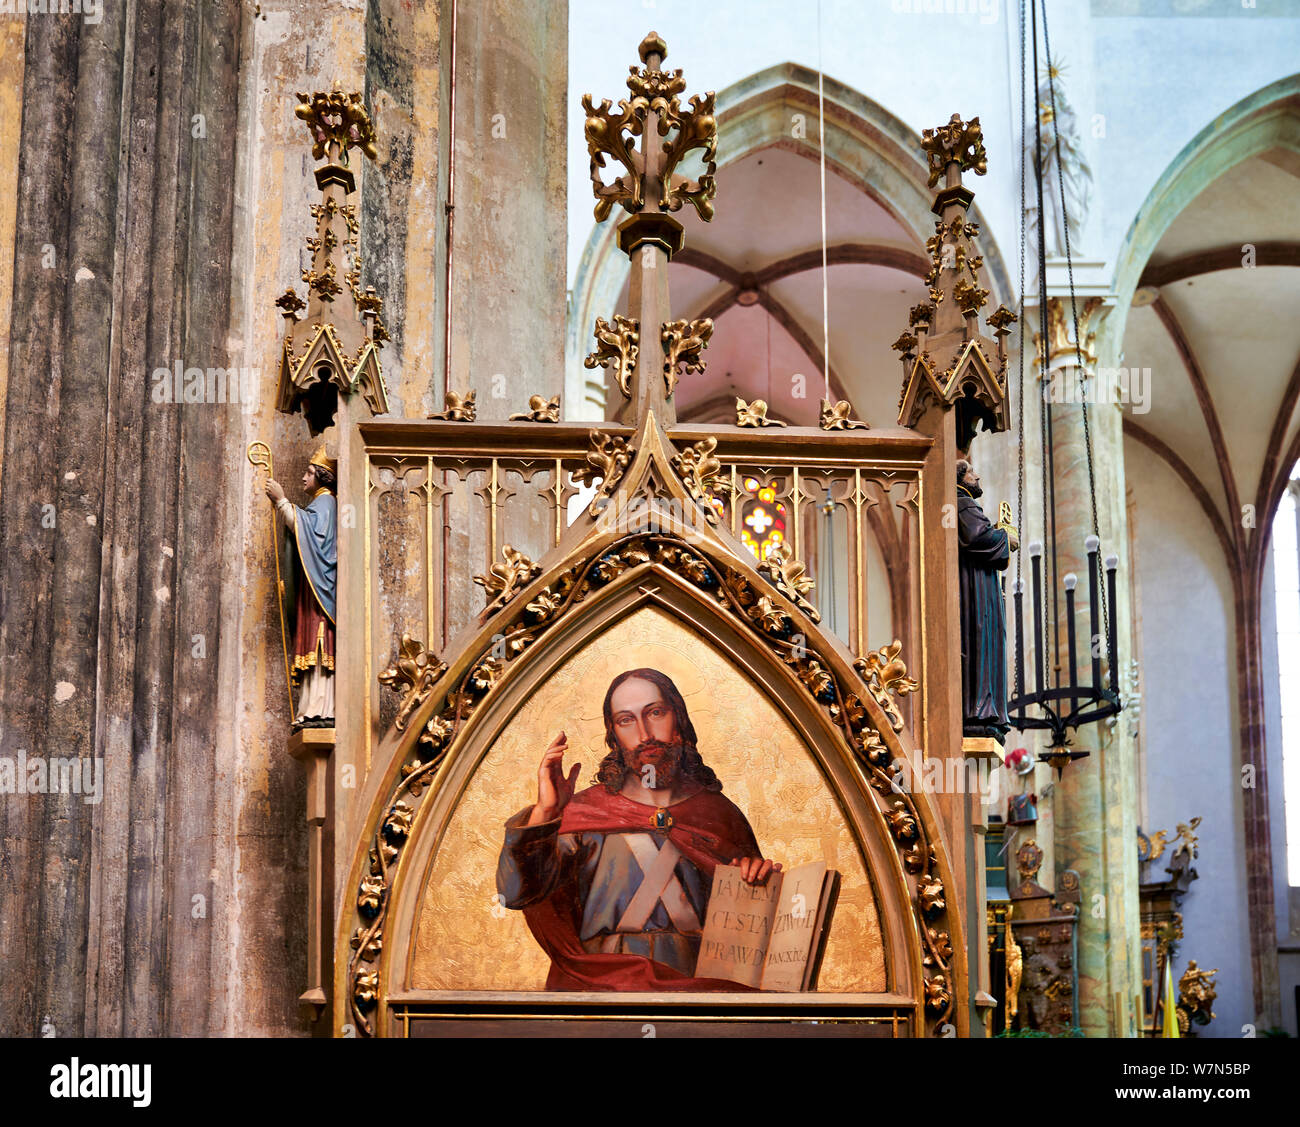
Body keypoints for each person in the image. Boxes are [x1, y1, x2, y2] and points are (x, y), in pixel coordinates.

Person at [496, 668, 780, 990]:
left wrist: (754, 881)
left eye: (655, 713)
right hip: (602, 991)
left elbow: (749, 935)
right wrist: (546, 812)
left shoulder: (718, 815)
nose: (645, 734)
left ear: (679, 719)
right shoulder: (582, 814)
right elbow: (516, 893)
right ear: (614, 734)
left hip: (696, 993)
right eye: (626, 720)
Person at [264, 446, 337, 729]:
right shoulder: (320, 503)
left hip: (321, 593)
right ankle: (310, 708)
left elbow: (311, 535)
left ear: (322, 476)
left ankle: (321, 709)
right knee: (311, 648)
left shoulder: (326, 502)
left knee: (320, 647)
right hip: (312, 589)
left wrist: (282, 501)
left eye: (309, 473)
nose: (304, 477)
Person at [957, 460, 1017, 743]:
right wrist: (1006, 538)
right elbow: (978, 537)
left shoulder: (964, 505)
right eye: (971, 472)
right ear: (959, 478)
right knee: (981, 645)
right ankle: (981, 709)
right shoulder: (963, 504)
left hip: (980, 591)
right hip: (977, 594)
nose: (977, 475)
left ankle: (986, 709)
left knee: (985, 645)